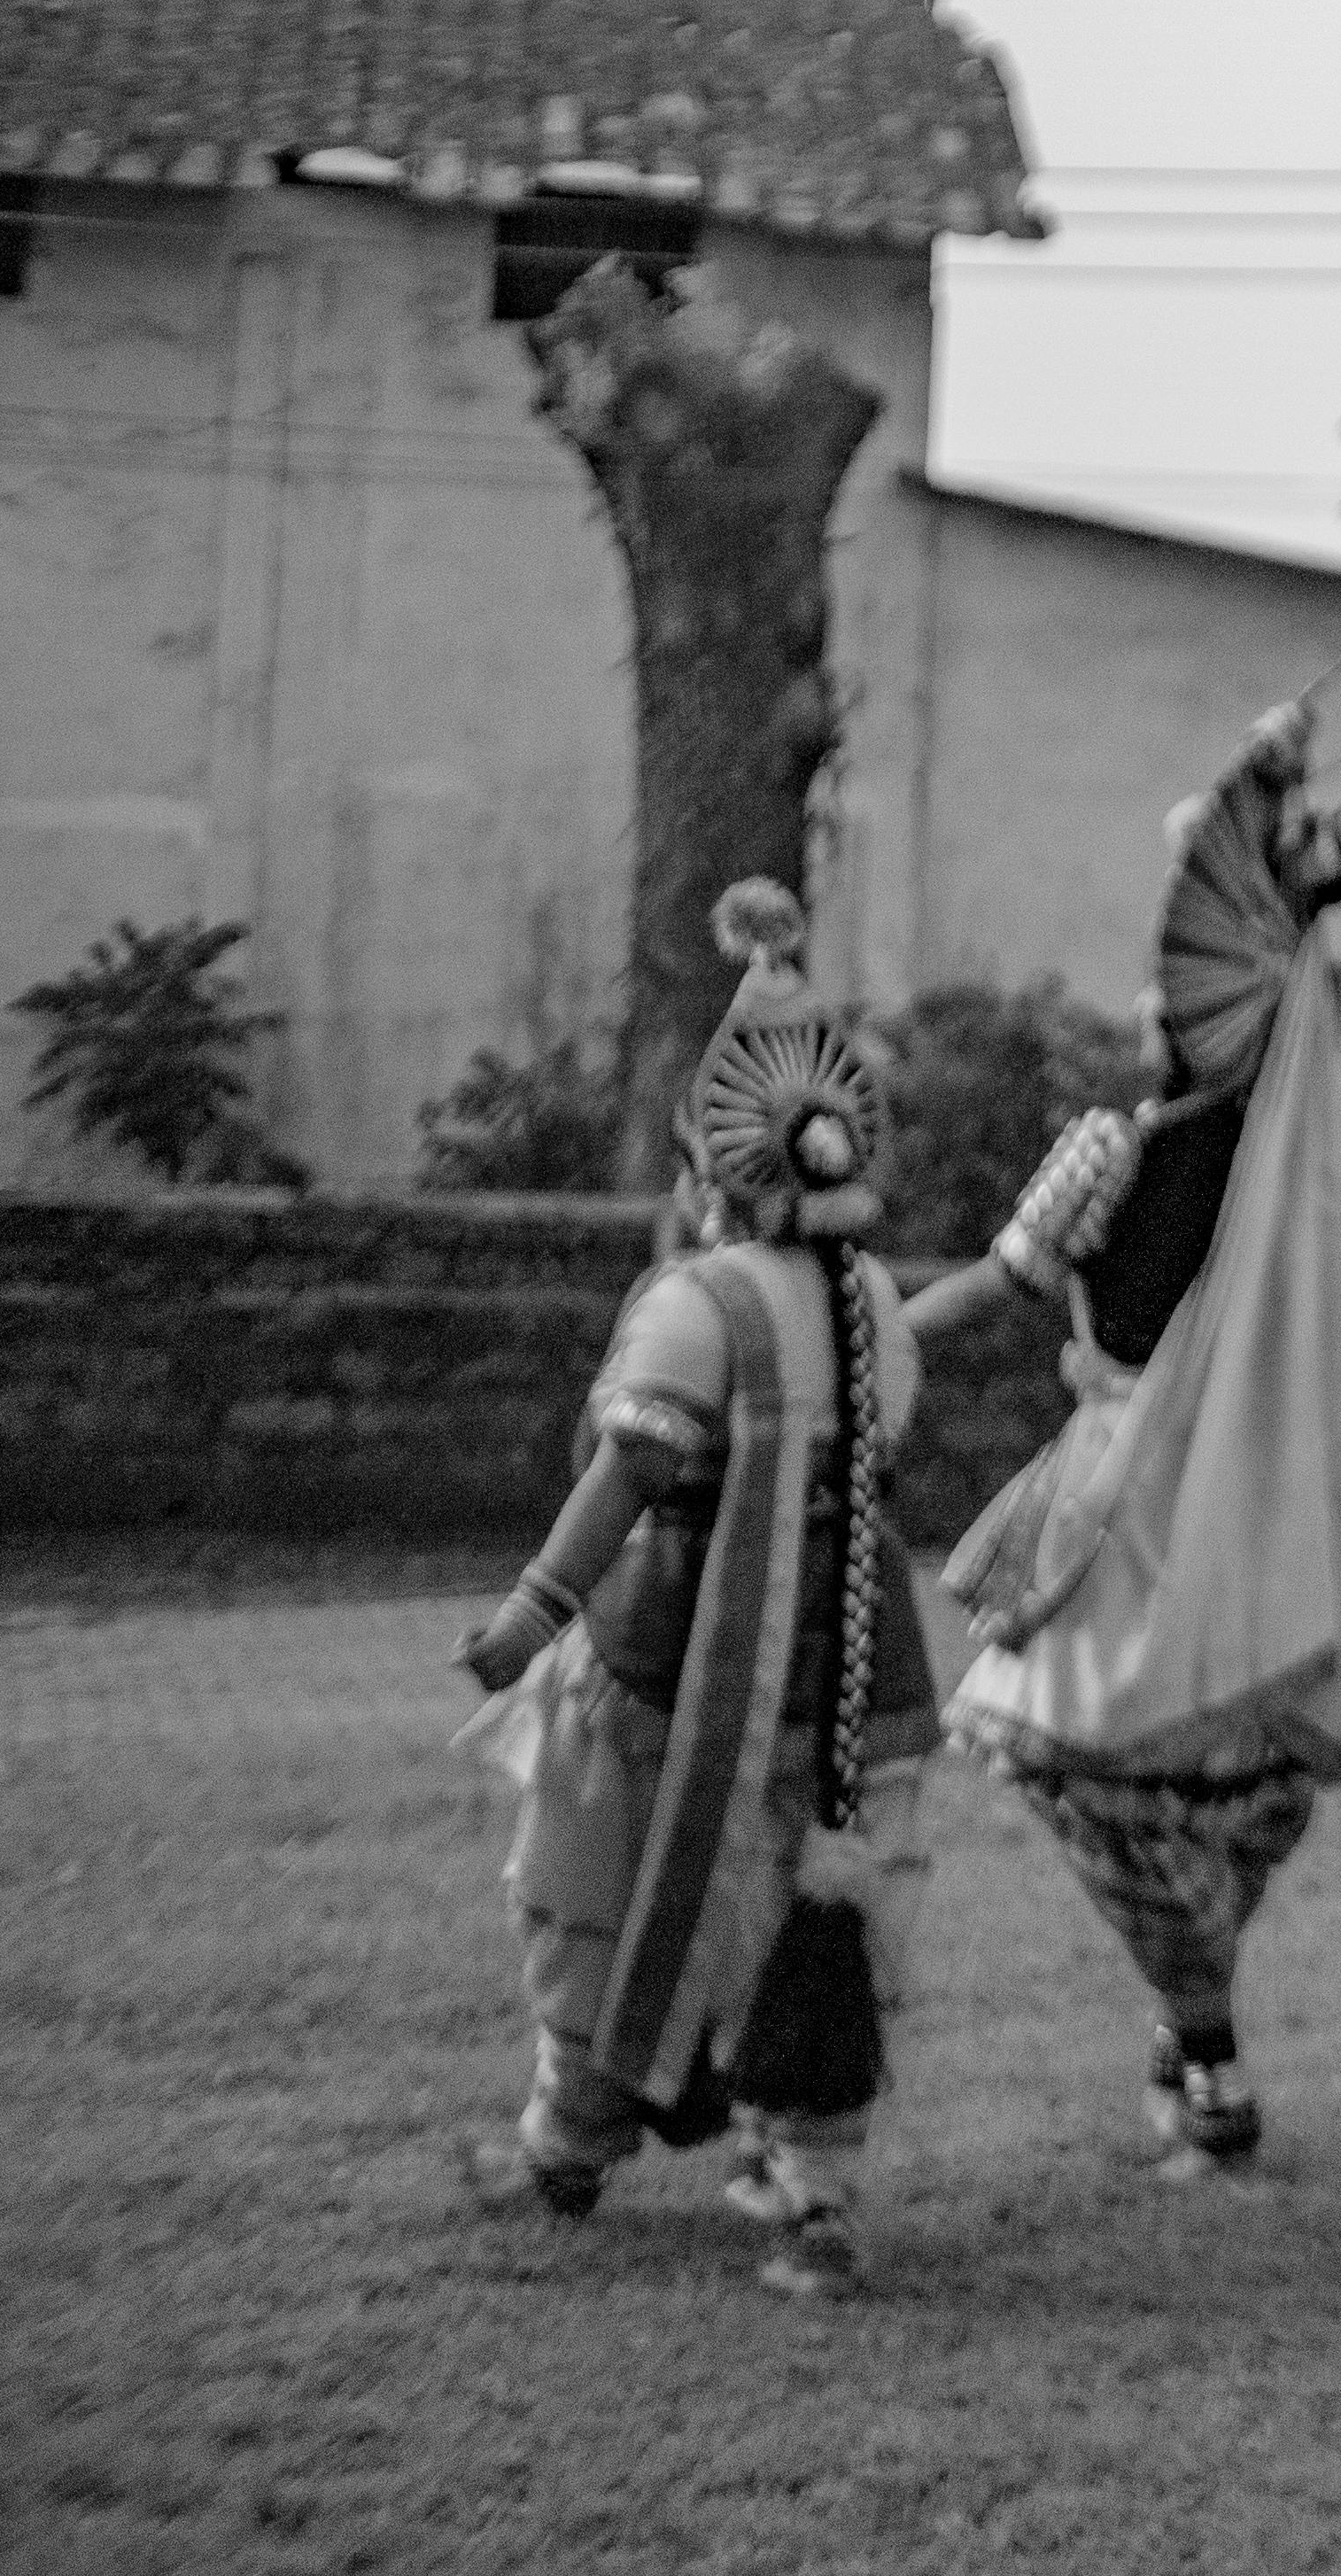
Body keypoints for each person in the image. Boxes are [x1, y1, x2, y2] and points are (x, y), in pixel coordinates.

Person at [911, 697, 1341, 2175]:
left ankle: (1205, 2045)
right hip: (1289, 1528)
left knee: (1087, 1772)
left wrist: (834, 1331)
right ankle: (1199, 2040)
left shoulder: (1115, 1153)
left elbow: (996, 1286)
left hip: (1128, 1516)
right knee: (1240, 1789)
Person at [451, 880, 934, 2302]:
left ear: (708, 1167)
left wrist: (529, 1616)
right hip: (864, 1664)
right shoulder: (876, 1305)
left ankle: (570, 2145)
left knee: (604, 1887)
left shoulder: (697, 1302)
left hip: (684, 1650)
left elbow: (625, 1479)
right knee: (823, 1908)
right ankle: (813, 2194)